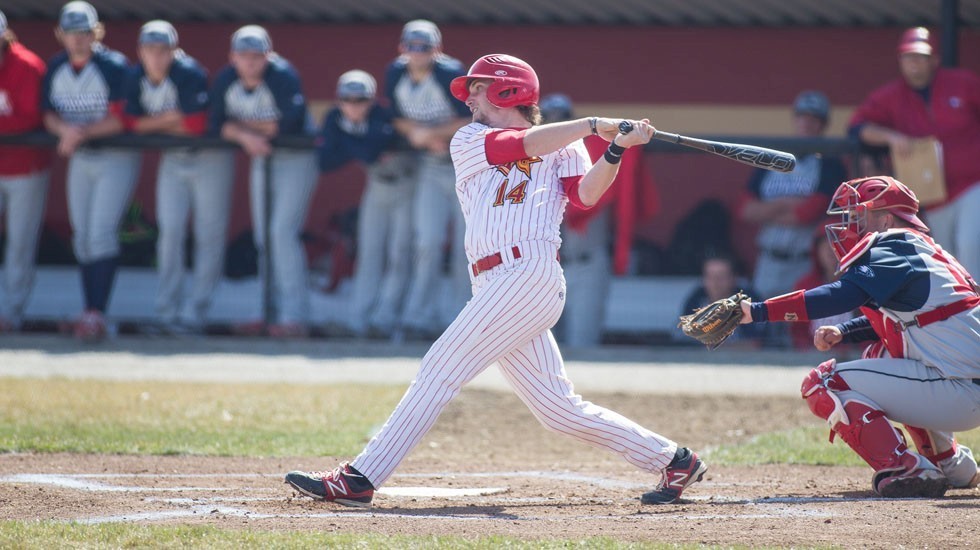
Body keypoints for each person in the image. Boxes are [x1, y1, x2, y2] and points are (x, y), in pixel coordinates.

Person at [285, 54, 707, 507]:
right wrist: (591, 124)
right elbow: (519, 145)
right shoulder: (469, 139)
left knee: (439, 368)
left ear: (509, 90)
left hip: (529, 274)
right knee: (558, 410)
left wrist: (616, 148)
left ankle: (360, 478)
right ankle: (673, 459)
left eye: (479, 88)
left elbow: (585, 195)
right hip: (493, 281)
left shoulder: (566, 146)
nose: (470, 97)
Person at [737, 175, 980, 498]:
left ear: (886, 218)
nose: (851, 224)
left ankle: (907, 467)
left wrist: (756, 311)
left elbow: (840, 296)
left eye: (859, 215)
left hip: (960, 388)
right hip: (961, 382)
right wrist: (843, 330)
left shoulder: (894, 246)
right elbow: (906, 319)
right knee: (880, 354)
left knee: (823, 383)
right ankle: (952, 464)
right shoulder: (920, 251)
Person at [124, 20, 233, 334]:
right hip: (173, 157)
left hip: (209, 157)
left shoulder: (189, 72)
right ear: (140, 51)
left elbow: (197, 125)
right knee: (169, 233)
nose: (156, 57)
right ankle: (166, 311)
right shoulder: (135, 76)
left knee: (208, 235)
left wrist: (153, 123)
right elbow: (128, 122)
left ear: (174, 50)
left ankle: (195, 313)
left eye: (163, 50)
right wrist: (174, 119)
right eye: (150, 50)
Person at [210, 25, 318, 338]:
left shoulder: (282, 75)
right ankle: (267, 311)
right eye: (244, 56)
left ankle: (294, 316)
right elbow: (215, 123)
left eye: (257, 56)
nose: (250, 62)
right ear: (233, 57)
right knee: (263, 238)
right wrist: (246, 134)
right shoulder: (226, 80)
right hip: (262, 157)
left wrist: (239, 128)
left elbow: (285, 125)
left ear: (268, 56)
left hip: (295, 158)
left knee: (281, 233)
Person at [42, 1, 140, 341]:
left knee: (100, 233)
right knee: (81, 236)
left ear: (95, 33)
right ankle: (89, 309)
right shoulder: (56, 67)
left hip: (114, 156)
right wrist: (63, 131)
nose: (77, 39)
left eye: (83, 32)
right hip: (81, 158)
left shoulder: (113, 66)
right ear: (60, 35)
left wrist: (77, 133)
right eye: (71, 33)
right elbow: (48, 113)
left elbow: (123, 118)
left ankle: (97, 312)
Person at [849, 27, 980, 280]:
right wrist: (891, 136)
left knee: (970, 246)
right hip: (932, 194)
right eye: (909, 58)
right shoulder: (891, 96)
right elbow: (857, 128)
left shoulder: (962, 83)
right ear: (900, 61)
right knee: (946, 259)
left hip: (972, 184)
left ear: (934, 60)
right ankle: (961, 315)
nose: (914, 64)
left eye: (920, 57)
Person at [540, 93, 661, 347]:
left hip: (587, 265)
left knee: (582, 345)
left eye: (559, 119)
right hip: (545, 268)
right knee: (543, 348)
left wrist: (622, 141)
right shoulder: (534, 163)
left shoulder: (588, 158)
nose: (554, 123)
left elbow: (598, 192)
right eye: (547, 120)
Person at [386, 20, 472, 340]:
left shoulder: (450, 72)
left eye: (424, 48)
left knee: (468, 245)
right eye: (411, 46)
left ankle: (465, 316)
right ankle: (419, 315)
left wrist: (433, 133)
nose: (417, 53)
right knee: (427, 242)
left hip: (464, 167)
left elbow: (473, 117)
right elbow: (394, 117)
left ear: (436, 49)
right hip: (430, 165)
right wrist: (419, 135)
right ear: (402, 48)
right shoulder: (395, 73)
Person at [318, 70, 414, 338]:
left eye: (360, 100)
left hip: (406, 183)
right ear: (338, 100)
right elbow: (325, 161)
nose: (353, 105)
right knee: (368, 251)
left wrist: (348, 144)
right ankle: (358, 319)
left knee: (399, 252)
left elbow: (370, 149)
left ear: (371, 101)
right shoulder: (334, 117)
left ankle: (385, 319)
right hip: (376, 183)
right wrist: (356, 145)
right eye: (347, 100)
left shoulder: (383, 114)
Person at [738, 90, 847, 301]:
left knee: (798, 323)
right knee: (763, 321)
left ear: (823, 125)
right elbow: (745, 210)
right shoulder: (771, 157)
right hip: (768, 260)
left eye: (813, 119)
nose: (806, 123)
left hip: (804, 262)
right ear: (795, 120)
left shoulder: (831, 164)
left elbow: (805, 214)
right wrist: (787, 203)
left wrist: (767, 210)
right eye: (802, 117)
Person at [0, 10, 50, 333]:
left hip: (25, 170)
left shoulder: (28, 65)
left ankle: (11, 313)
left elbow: (31, 119)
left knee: (19, 243)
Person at [789, 223, 856, 351]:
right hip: (813, 355)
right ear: (816, 251)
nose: (831, 253)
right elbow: (798, 332)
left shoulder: (863, 283)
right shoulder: (805, 286)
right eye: (825, 247)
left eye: (837, 247)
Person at [677, 255, 764, 348]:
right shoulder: (696, 300)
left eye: (722, 276)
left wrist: (714, 347)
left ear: (734, 278)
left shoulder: (749, 301)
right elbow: (683, 341)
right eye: (710, 277)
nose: (715, 282)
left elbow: (757, 344)